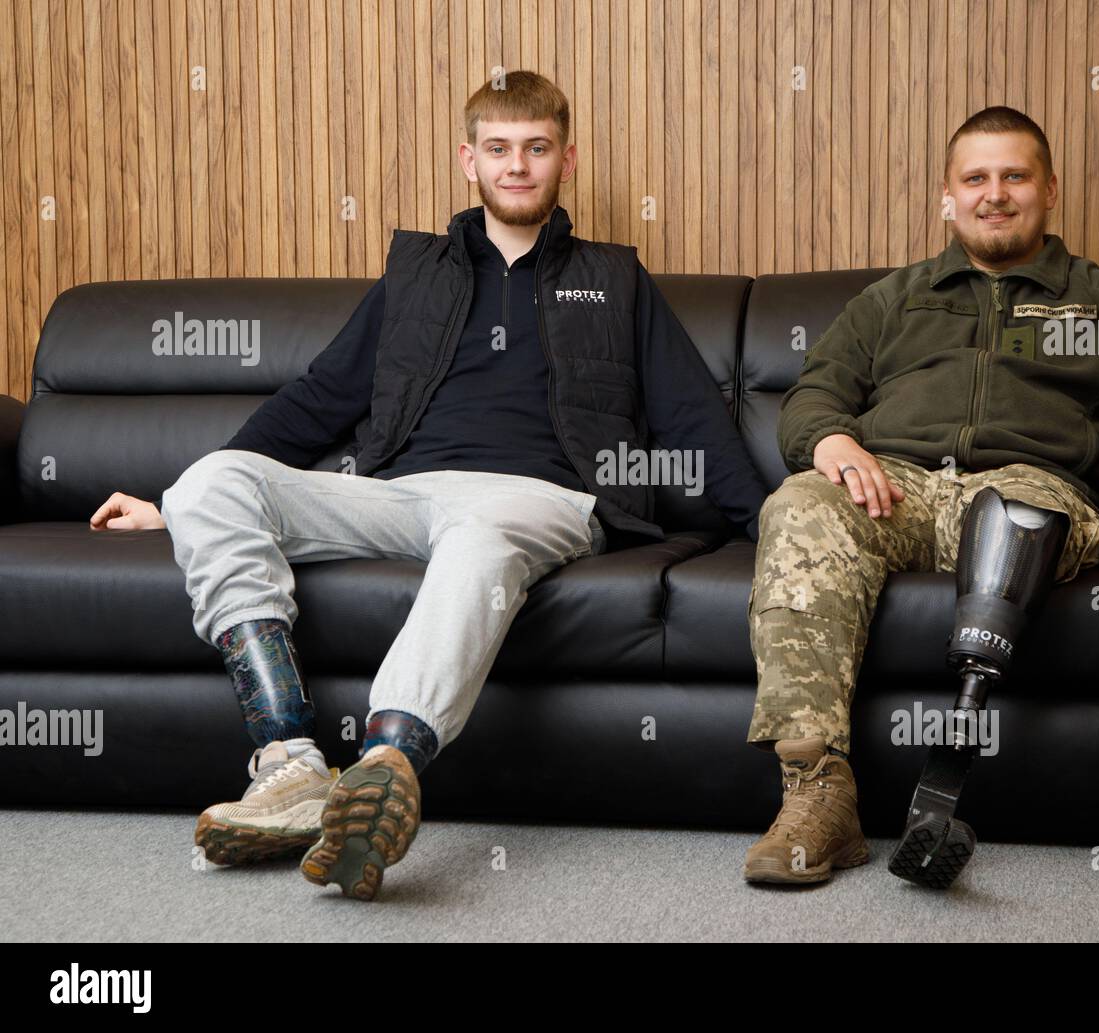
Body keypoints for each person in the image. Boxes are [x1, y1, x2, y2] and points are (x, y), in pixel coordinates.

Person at [90, 70, 767, 902]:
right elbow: (320, 397)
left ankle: (385, 766)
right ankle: (292, 762)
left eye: (536, 149)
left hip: (539, 500)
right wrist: (168, 502)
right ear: (467, 160)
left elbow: (696, 417)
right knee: (211, 484)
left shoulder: (616, 278)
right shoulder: (417, 274)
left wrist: (774, 528)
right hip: (399, 494)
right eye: (498, 149)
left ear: (568, 159)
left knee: (479, 540)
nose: (517, 166)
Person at [741, 105, 1099, 885]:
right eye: (976, 178)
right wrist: (830, 440)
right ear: (947, 197)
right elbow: (812, 395)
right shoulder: (892, 300)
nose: (994, 194)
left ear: (1049, 189)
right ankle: (816, 793)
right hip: (893, 485)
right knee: (799, 503)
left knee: (1014, 515)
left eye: (1014, 176)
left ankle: (950, 770)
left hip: (1029, 485)